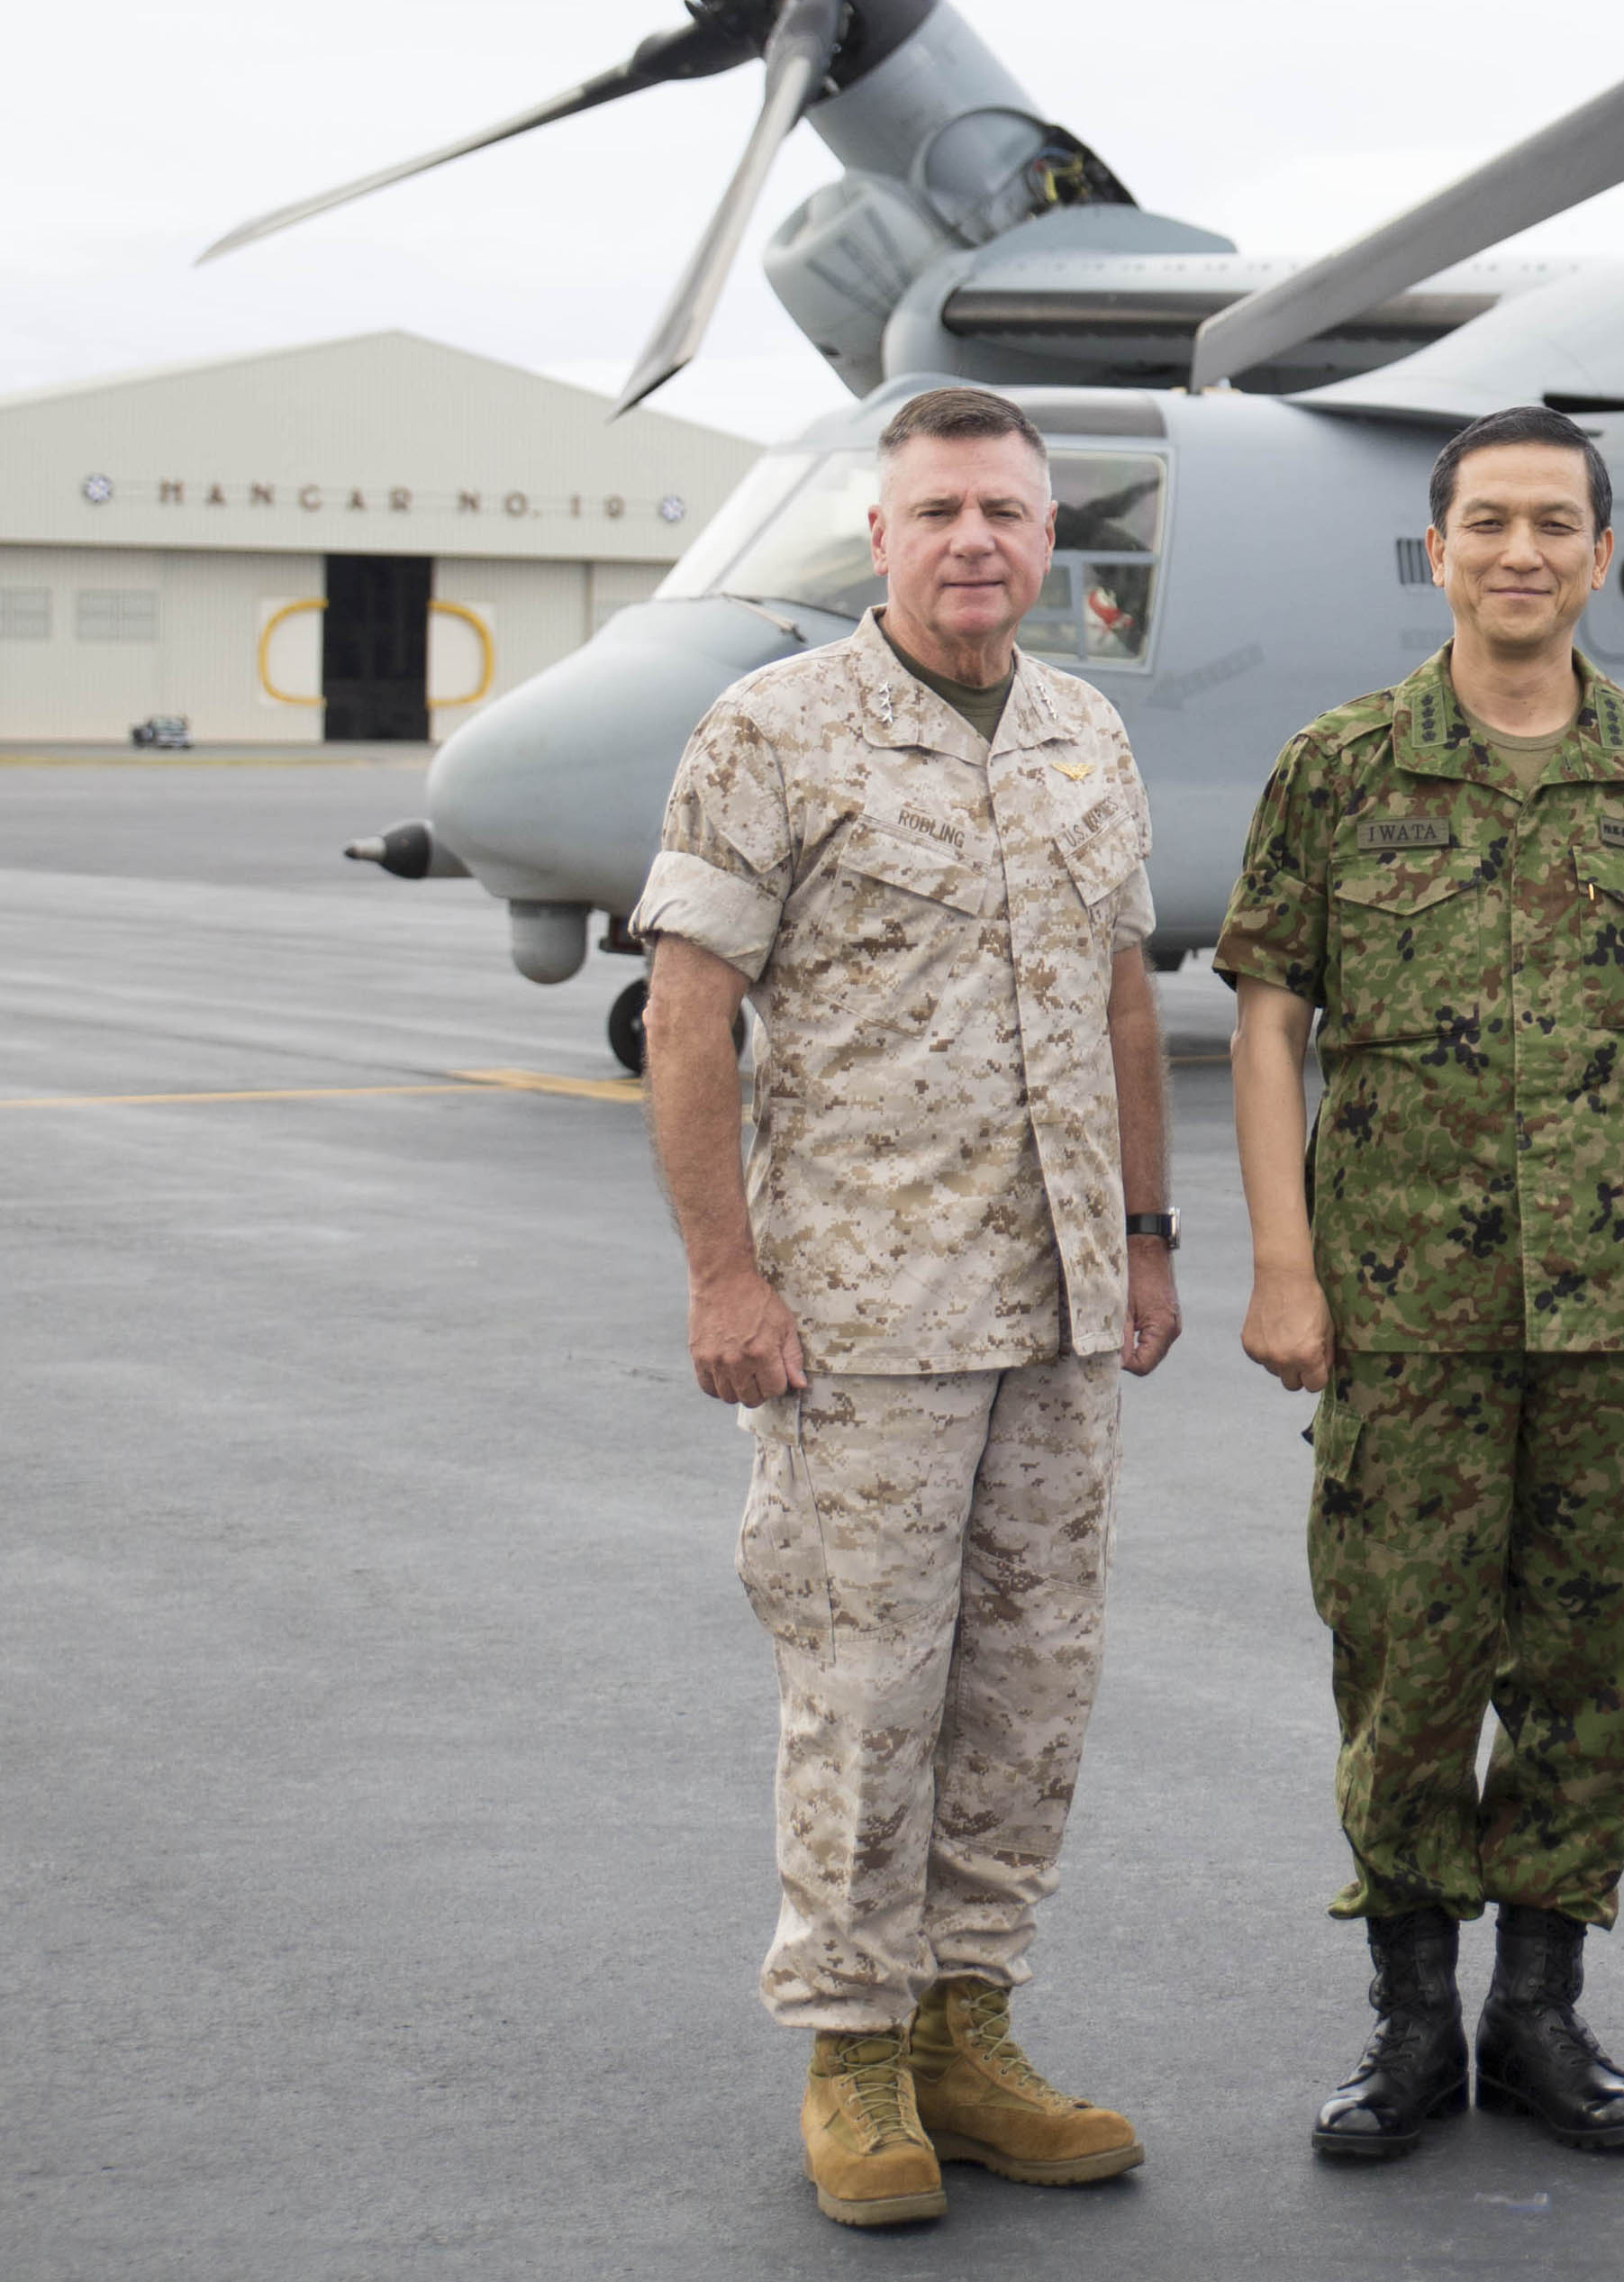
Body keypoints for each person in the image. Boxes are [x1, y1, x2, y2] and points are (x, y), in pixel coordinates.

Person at [634, 382, 1179, 2232]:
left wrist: (1154, 1234)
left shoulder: (1087, 734)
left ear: (1048, 542)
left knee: (1033, 1684)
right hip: (863, 1311)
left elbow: (1122, 1003)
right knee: (866, 1687)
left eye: (1007, 514)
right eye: (940, 509)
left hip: (1062, 1307)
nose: (974, 541)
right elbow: (690, 1015)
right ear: (880, 537)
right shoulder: (771, 729)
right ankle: (852, 2043)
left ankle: (972, 2024)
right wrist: (725, 1272)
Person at [1216, 405, 1624, 2159]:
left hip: (1614, 1311)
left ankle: (1540, 2012)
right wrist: (1287, 1268)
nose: (1521, 551)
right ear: (1438, 551)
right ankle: (1407, 2025)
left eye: (1555, 523)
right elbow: (1268, 1019)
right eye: (1489, 523)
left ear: (1599, 556)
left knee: (1598, 1665)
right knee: (1407, 1663)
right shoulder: (1341, 767)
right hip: (1404, 1314)